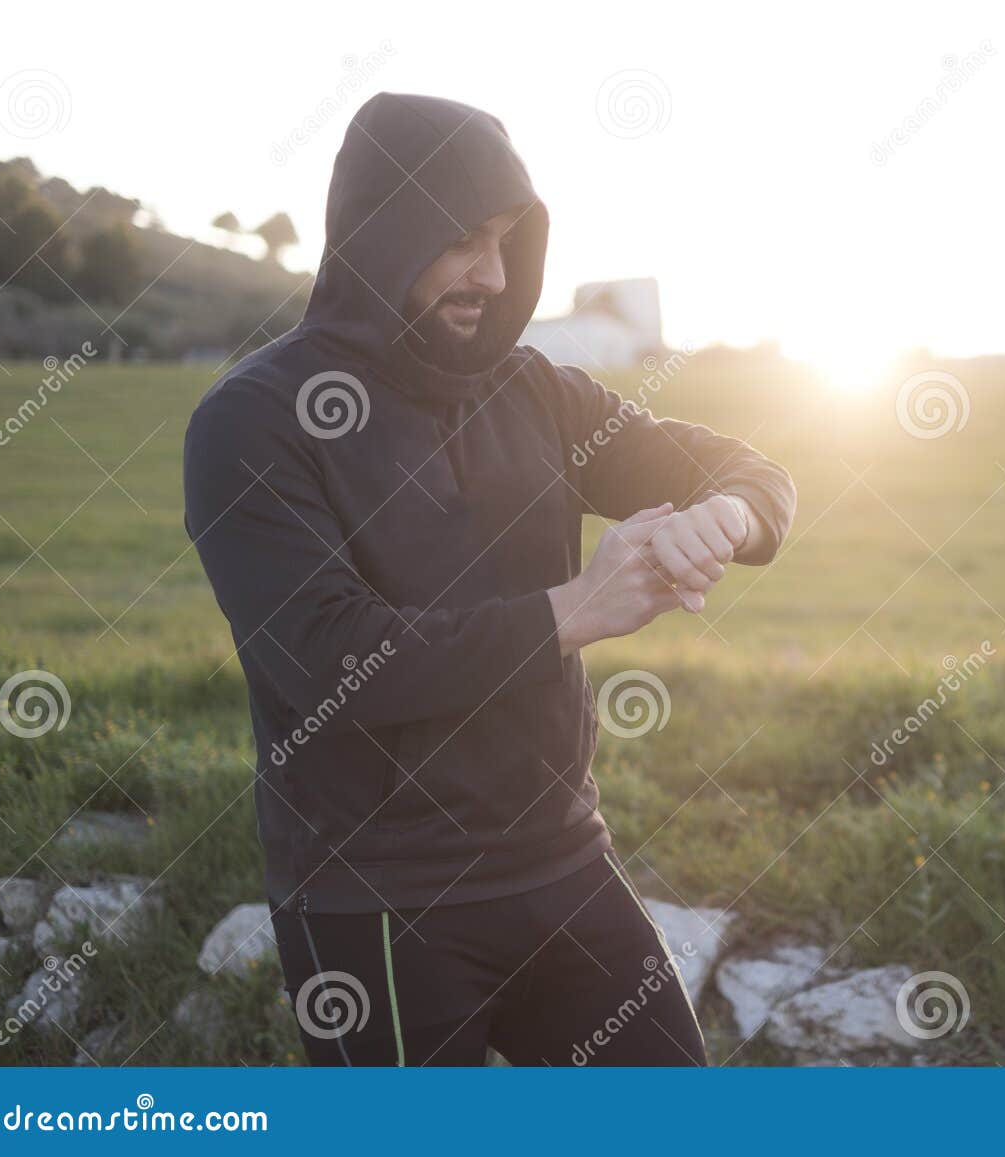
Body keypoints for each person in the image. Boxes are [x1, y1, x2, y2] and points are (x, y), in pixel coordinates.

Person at [182, 92, 795, 1066]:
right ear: (385, 231)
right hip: (372, 902)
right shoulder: (253, 420)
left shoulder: (539, 391)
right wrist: (577, 607)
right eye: (465, 239)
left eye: (509, 240)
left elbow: (753, 473)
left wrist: (723, 518)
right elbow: (330, 657)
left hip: (561, 865)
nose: (494, 274)